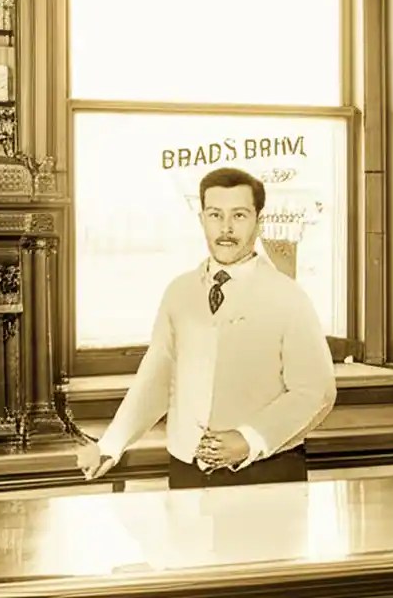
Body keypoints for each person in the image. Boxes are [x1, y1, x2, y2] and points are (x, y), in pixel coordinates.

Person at [77, 166, 337, 489]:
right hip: (187, 472)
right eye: (215, 215)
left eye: (239, 216)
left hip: (267, 473)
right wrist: (111, 445)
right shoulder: (179, 293)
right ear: (202, 219)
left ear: (259, 220)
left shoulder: (289, 297)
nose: (225, 228)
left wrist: (248, 438)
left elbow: (317, 390)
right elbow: (157, 377)